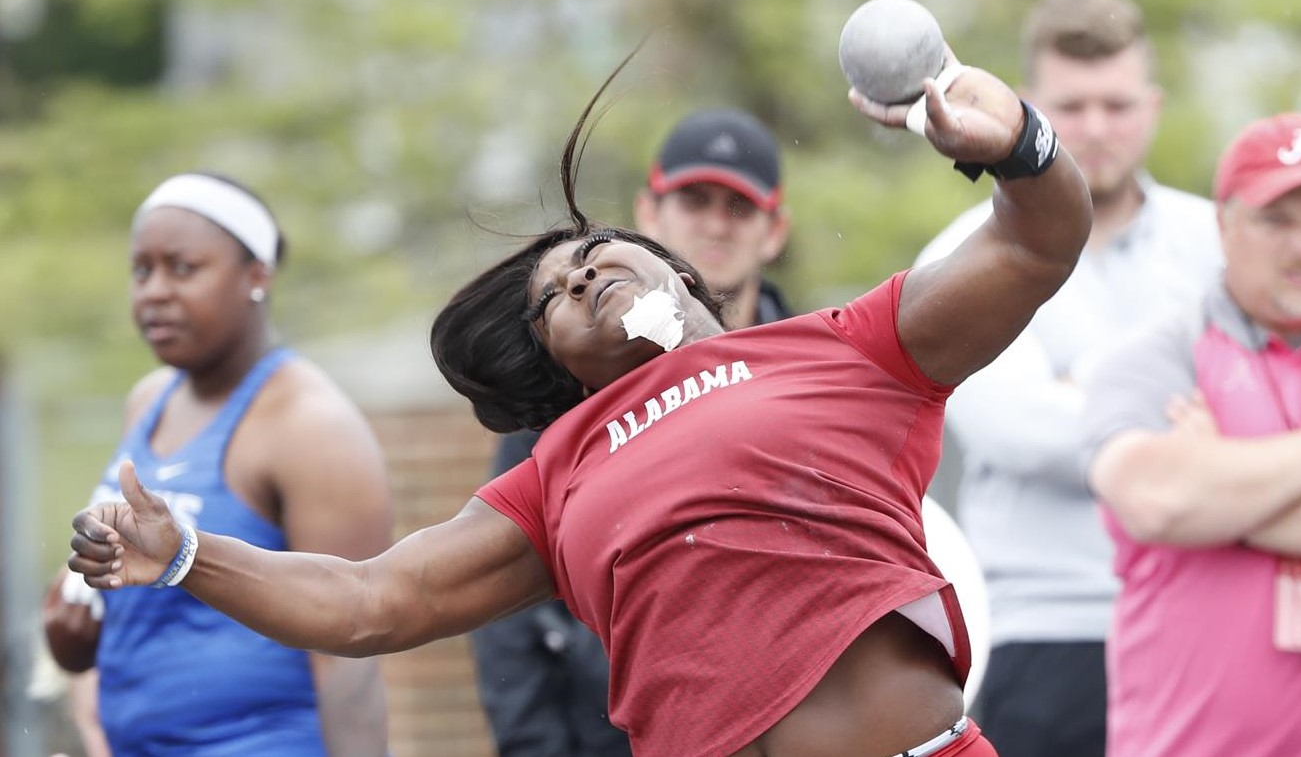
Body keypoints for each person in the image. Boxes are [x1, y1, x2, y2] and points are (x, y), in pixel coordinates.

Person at [66, 41, 1092, 757]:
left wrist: (1016, 146)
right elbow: (375, 600)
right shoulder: (556, 468)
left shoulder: (836, 348)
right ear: (562, 364)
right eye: (551, 298)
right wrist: (192, 558)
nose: (576, 280)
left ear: (679, 277)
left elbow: (1035, 243)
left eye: (595, 257)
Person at [911, 0, 1222, 756]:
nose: (1096, 128)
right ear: (1026, 107)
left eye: (1117, 105)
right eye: (1071, 106)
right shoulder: (957, 259)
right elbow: (1023, 435)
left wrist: (1079, 387)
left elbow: (1267, 410)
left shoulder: (1220, 244)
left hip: (1211, 620)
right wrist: (1183, 414)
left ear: (1151, 106)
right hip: (1041, 632)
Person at [1085, 113, 1301, 756]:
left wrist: (1221, 486)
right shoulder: (1154, 354)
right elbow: (1156, 499)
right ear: (1223, 225)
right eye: (1275, 221)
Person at [473, 107, 791, 757]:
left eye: (739, 206)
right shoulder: (558, 407)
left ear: (774, 229)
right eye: (694, 200)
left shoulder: (812, 361)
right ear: (648, 214)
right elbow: (501, 609)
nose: (714, 222)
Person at [42, 172, 394, 756]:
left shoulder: (311, 425)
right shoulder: (148, 401)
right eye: (141, 270)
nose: (154, 290)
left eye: (182, 269)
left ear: (257, 276)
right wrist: (71, 630)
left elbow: (351, 654)